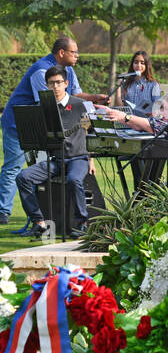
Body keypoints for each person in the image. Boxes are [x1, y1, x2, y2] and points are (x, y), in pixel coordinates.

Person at [0, 37, 106, 224]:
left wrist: (95, 98)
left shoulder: (69, 70)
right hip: (19, 125)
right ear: (62, 53)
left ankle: (59, 219)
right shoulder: (41, 71)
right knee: (13, 169)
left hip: (46, 129)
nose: (77, 55)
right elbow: (49, 103)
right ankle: (4, 213)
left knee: (44, 174)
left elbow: (72, 96)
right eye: (74, 52)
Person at [16, 67, 93, 238]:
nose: (55, 86)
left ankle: (82, 223)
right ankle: (39, 222)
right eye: (51, 83)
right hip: (56, 160)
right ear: (47, 85)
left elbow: (88, 132)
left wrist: (91, 160)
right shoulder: (44, 107)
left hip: (78, 158)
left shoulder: (79, 105)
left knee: (74, 179)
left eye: (58, 82)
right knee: (23, 177)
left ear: (66, 84)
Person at [112, 51, 163, 117]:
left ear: (147, 65)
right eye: (136, 62)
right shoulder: (127, 83)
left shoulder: (153, 85)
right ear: (132, 64)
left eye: (142, 63)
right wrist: (118, 85)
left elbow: (158, 110)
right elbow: (120, 107)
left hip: (144, 124)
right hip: (128, 123)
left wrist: (148, 111)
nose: (139, 65)